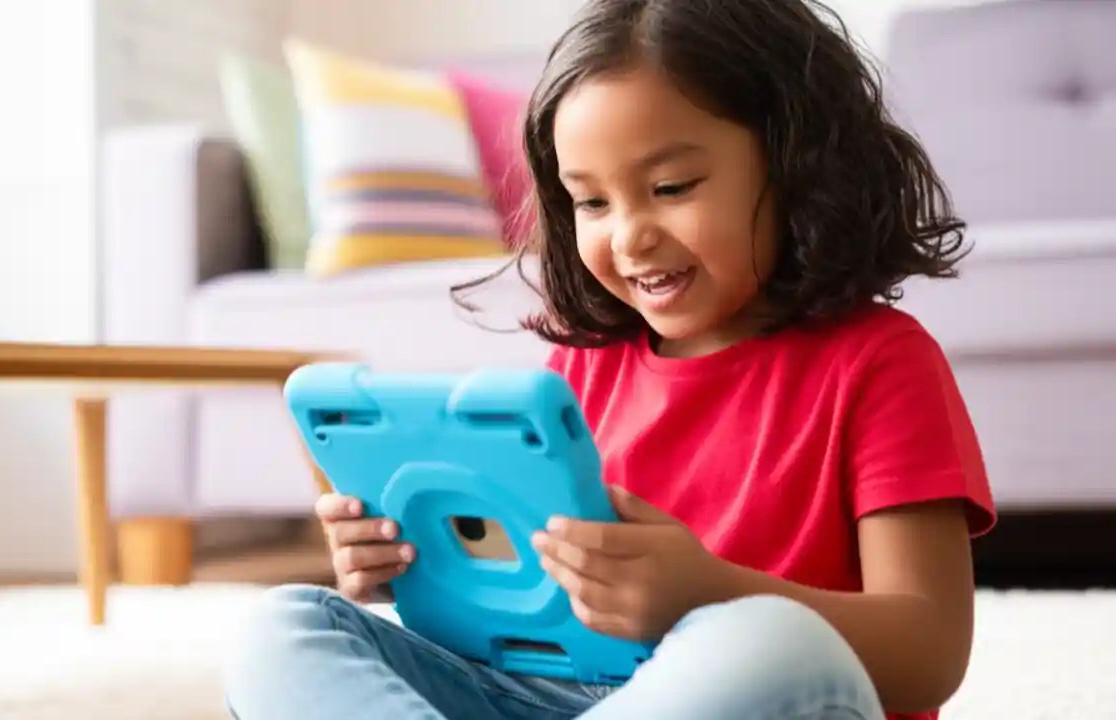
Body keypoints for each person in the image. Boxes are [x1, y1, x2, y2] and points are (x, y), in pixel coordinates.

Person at [224, 0, 997, 718]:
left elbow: (929, 652)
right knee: (288, 626)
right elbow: (529, 599)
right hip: (559, 693)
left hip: (754, 691)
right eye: (591, 202)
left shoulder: (881, 364)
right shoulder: (579, 372)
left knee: (775, 640)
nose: (629, 236)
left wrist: (708, 593)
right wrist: (410, 565)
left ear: (797, 162)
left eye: (671, 186)